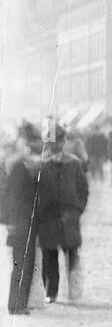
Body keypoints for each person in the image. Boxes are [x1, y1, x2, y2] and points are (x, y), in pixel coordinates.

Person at [35, 127, 89, 303]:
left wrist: (77, 211)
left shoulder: (73, 163)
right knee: (49, 256)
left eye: (59, 141)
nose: (55, 145)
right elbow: (34, 193)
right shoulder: (40, 165)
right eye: (51, 142)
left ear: (64, 142)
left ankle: (74, 291)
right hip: (48, 219)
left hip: (69, 218)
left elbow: (83, 189)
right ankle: (51, 292)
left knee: (72, 254)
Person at [3, 126, 42, 314]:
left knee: (25, 263)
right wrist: (11, 222)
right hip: (21, 224)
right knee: (22, 263)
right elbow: (11, 197)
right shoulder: (20, 169)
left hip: (25, 223)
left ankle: (19, 303)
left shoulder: (24, 168)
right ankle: (16, 304)